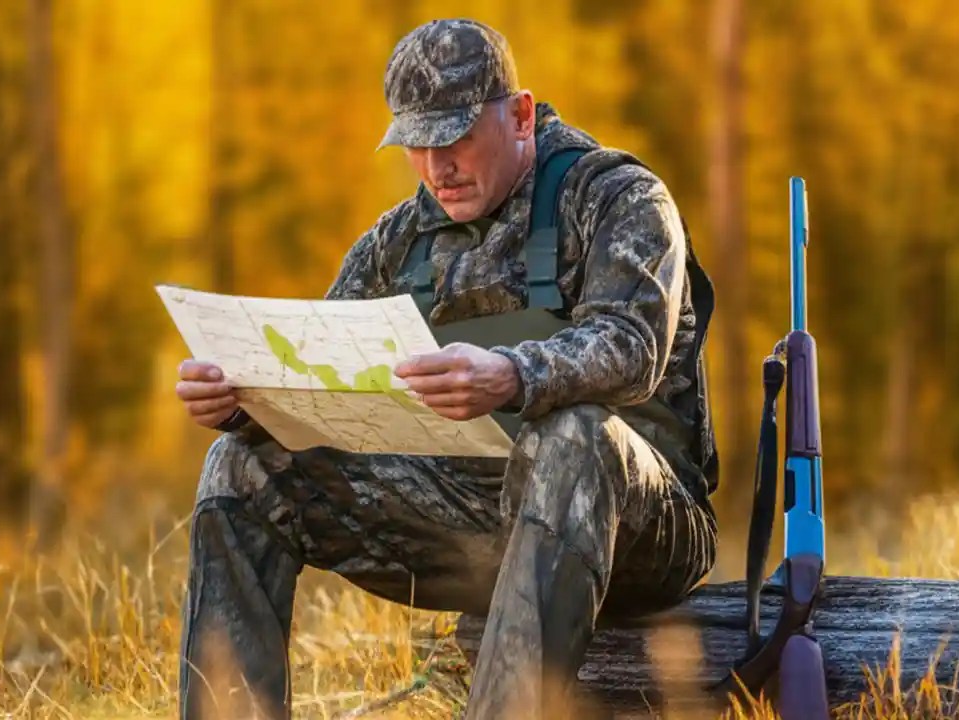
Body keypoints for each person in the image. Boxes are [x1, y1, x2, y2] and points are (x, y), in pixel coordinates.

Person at [173, 17, 719, 719]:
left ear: (520, 116)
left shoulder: (618, 198)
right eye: (417, 144)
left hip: (637, 526)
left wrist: (512, 375)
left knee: (573, 436)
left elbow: (631, 347)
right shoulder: (396, 243)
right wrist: (244, 403)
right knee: (239, 467)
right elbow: (323, 389)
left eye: (456, 137)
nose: (438, 168)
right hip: (469, 522)